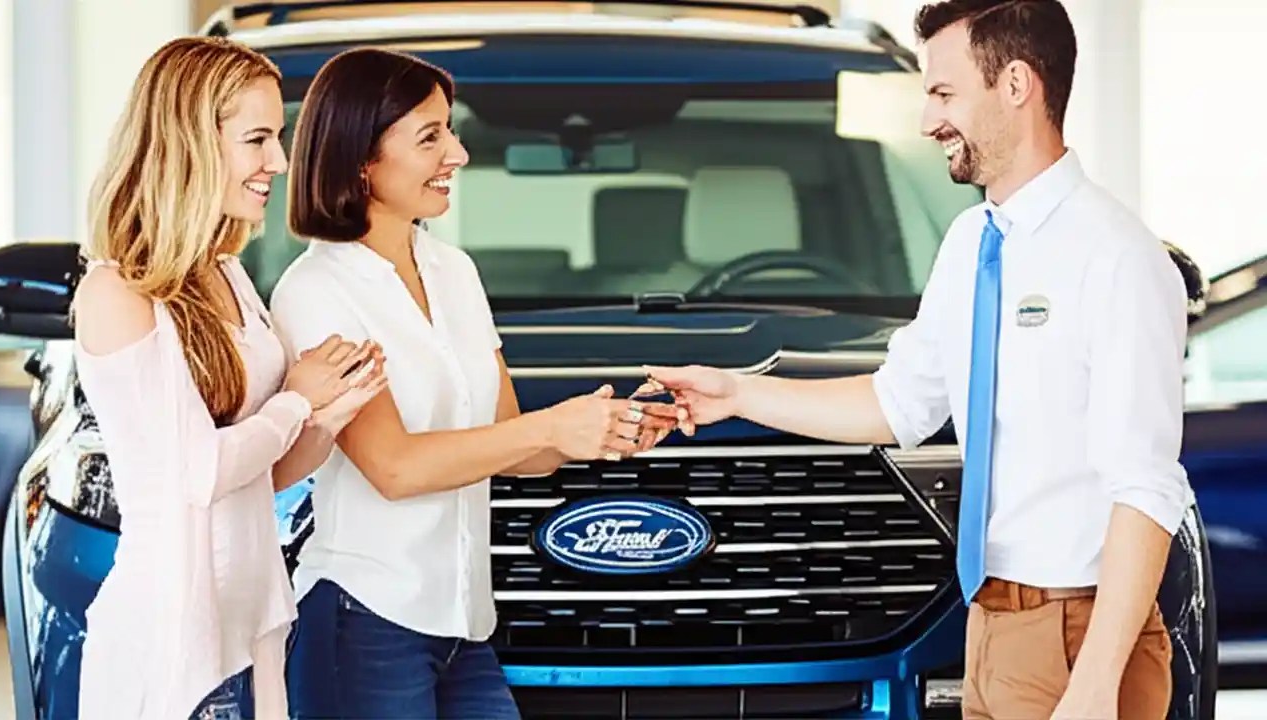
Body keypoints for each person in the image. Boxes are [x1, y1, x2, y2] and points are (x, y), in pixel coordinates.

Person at [642, 1, 1192, 718]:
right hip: (991, 623)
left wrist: (1092, 683)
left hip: (1080, 633)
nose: (927, 121)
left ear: (1017, 85)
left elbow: (1145, 489)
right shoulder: (973, 244)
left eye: (943, 93)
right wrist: (739, 394)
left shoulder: (1119, 258)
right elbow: (898, 403)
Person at [270, 48, 678, 719]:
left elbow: (515, 446)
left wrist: (602, 431)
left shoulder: (453, 271)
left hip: (463, 626)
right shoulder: (318, 290)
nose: (457, 153)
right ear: (361, 159)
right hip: (366, 620)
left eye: (450, 130)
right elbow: (394, 468)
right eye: (431, 136)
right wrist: (550, 426)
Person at [71, 37, 386, 720]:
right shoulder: (119, 294)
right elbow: (200, 474)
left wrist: (330, 411)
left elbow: (264, 475)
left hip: (252, 631)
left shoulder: (229, 274)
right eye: (258, 139)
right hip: (175, 648)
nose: (278, 161)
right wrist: (297, 397)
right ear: (189, 141)